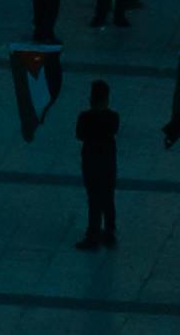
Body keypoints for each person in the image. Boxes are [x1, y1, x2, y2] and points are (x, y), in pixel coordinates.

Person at [77, 76, 123, 249]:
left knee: (93, 198)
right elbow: (114, 131)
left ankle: (93, 234)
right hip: (108, 163)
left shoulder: (85, 117)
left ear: (91, 99)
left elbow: (79, 135)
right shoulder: (113, 117)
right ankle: (109, 231)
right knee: (108, 197)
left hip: (90, 163)